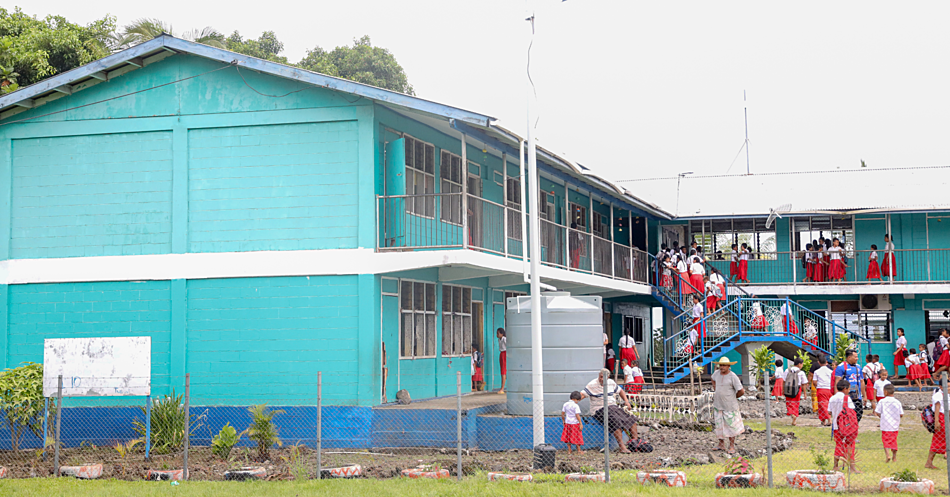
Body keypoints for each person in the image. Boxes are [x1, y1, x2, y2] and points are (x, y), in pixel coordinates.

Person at [580, 370, 638, 453]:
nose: (602, 379)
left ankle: (635, 443)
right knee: (616, 421)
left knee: (632, 419)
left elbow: (620, 391)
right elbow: (582, 394)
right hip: (599, 409)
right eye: (600, 377)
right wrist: (574, 401)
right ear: (598, 376)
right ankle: (622, 447)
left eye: (604, 377)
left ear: (608, 377)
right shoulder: (592, 384)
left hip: (613, 407)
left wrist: (626, 401)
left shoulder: (611, 382)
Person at [710, 357, 746, 454]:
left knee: (731, 426)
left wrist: (734, 397)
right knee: (719, 425)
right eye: (720, 365)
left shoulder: (733, 376)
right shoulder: (716, 374)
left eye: (724, 365)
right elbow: (712, 379)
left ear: (729, 366)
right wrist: (715, 388)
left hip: (730, 406)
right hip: (718, 405)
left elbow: (741, 391)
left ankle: (731, 446)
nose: (722, 367)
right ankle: (721, 444)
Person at [829, 379, 860, 473]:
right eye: (849, 388)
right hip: (846, 427)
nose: (849, 390)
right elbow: (852, 411)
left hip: (836, 426)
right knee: (850, 445)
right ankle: (852, 467)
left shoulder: (832, 398)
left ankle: (835, 466)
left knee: (838, 445)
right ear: (845, 388)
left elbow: (829, 411)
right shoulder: (846, 398)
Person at [873, 383, 903, 463]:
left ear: (885, 392)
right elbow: (901, 414)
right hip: (894, 425)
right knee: (894, 440)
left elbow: (877, 412)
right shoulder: (897, 402)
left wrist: (881, 416)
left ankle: (887, 455)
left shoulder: (882, 401)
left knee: (885, 440)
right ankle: (894, 457)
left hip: (885, 424)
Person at [835, 350, 864, 421]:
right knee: (847, 415)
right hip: (846, 396)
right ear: (849, 357)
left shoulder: (858, 367)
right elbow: (837, 382)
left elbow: (862, 381)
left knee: (858, 414)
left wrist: (864, 395)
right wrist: (836, 395)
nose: (857, 358)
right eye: (855, 357)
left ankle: (854, 428)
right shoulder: (841, 367)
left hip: (857, 396)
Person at [785, 357, 808, 426]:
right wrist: (805, 393)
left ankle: (791, 413)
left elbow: (783, 380)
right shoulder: (801, 372)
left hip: (788, 388)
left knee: (789, 402)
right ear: (799, 364)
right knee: (796, 403)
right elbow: (804, 384)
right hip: (797, 389)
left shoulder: (787, 370)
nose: (802, 365)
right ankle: (794, 416)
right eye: (802, 364)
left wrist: (783, 389)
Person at [814, 355, 834, 426]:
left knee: (822, 405)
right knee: (827, 404)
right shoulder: (830, 371)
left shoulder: (816, 372)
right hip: (829, 389)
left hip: (821, 389)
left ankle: (829, 419)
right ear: (826, 362)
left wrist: (817, 386)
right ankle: (823, 421)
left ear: (818, 362)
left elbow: (814, 382)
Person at [497, 328, 507, 394]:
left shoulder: (504, 339)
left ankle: (502, 388)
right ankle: (502, 387)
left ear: (502, 334)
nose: (497, 335)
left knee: (503, 370)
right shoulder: (499, 339)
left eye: (498, 333)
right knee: (502, 370)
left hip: (505, 353)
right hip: (501, 353)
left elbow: (508, 346)